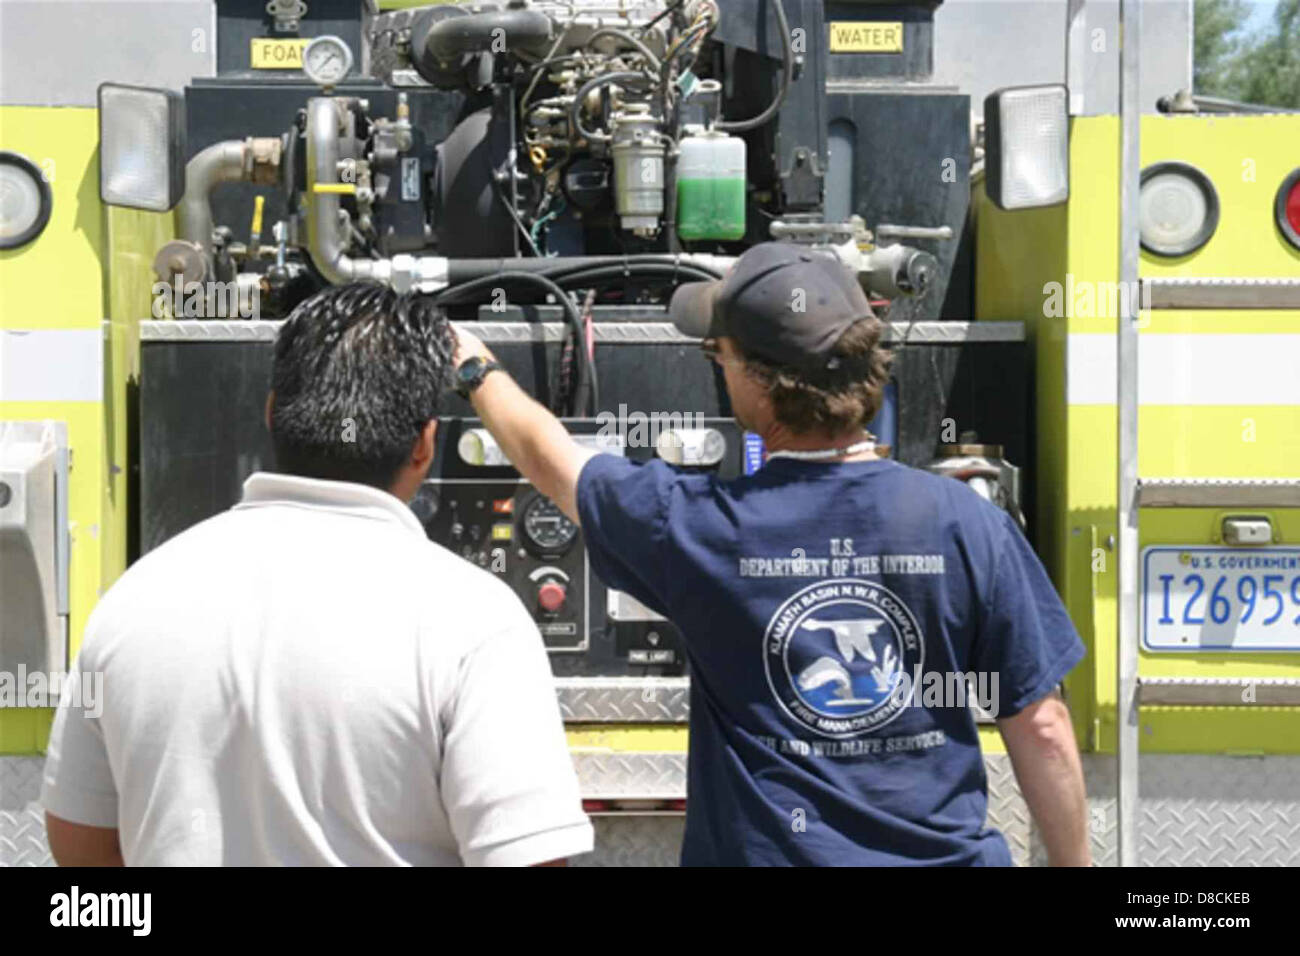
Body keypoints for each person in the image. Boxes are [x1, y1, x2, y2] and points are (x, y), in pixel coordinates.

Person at [451, 242, 1090, 866]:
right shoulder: (969, 524)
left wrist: (477, 369)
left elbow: (552, 461)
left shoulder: (694, 526)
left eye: (719, 354)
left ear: (761, 381)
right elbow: (1041, 726)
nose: (717, 368)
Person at [41, 284, 592, 867]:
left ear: (274, 413)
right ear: (424, 445)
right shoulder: (475, 621)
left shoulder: (133, 601)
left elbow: (80, 845)